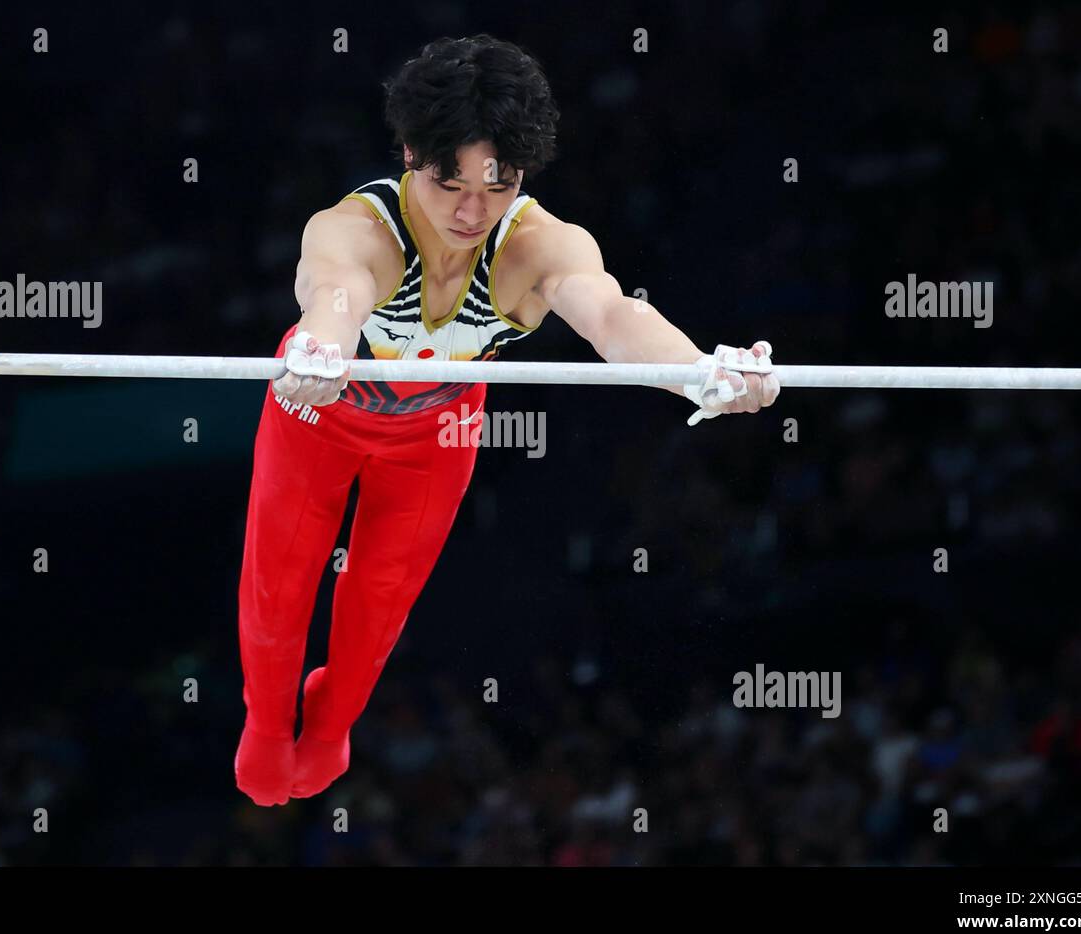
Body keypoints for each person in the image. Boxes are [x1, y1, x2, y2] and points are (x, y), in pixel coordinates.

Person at [235, 33, 780, 806]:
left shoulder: (538, 245)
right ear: (410, 153)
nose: (470, 210)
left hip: (438, 431)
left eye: (496, 186)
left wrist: (700, 373)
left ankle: (329, 726)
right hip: (315, 415)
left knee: (379, 602)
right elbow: (335, 296)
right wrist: (324, 349)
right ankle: (266, 721)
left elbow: (614, 318)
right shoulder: (354, 229)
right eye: (447, 182)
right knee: (281, 587)